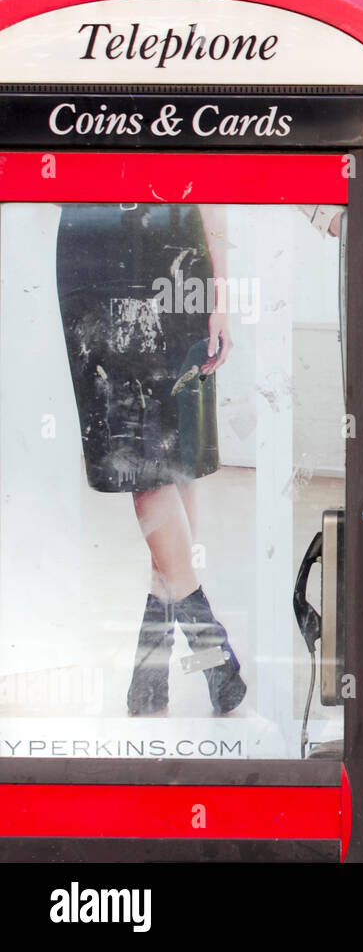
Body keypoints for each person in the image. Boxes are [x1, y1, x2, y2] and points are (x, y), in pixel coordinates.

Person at [56, 203, 245, 716]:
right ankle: (212, 655)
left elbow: (213, 183)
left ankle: (150, 674)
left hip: (180, 253)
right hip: (98, 252)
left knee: (177, 457)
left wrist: (221, 295)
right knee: (141, 460)